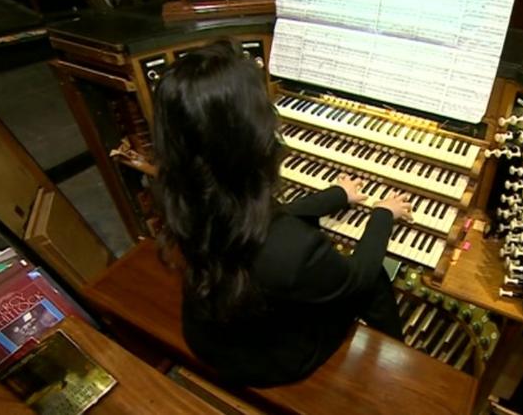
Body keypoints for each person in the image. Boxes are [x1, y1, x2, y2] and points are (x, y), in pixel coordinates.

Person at [152, 41, 411, 388]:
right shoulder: (294, 249)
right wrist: (383, 214)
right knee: (375, 278)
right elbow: (356, 279)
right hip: (272, 362)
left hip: (206, 335)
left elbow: (252, 224)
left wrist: (336, 196)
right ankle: (399, 374)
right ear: (247, 138)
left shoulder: (184, 197)